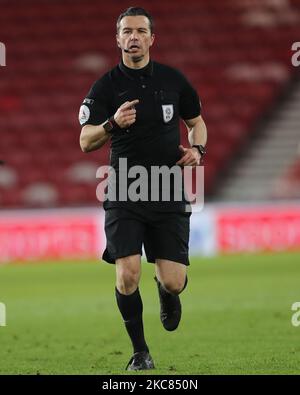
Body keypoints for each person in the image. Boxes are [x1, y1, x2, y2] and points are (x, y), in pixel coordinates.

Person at [79, 7, 207, 371]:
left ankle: (167, 291)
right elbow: (85, 140)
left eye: (140, 31)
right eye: (126, 31)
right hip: (124, 189)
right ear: (117, 39)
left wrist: (198, 149)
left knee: (174, 280)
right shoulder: (105, 87)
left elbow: (197, 124)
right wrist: (112, 123)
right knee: (127, 272)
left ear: (152, 38)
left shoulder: (174, 81)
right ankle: (140, 352)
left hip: (167, 188)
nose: (133, 37)